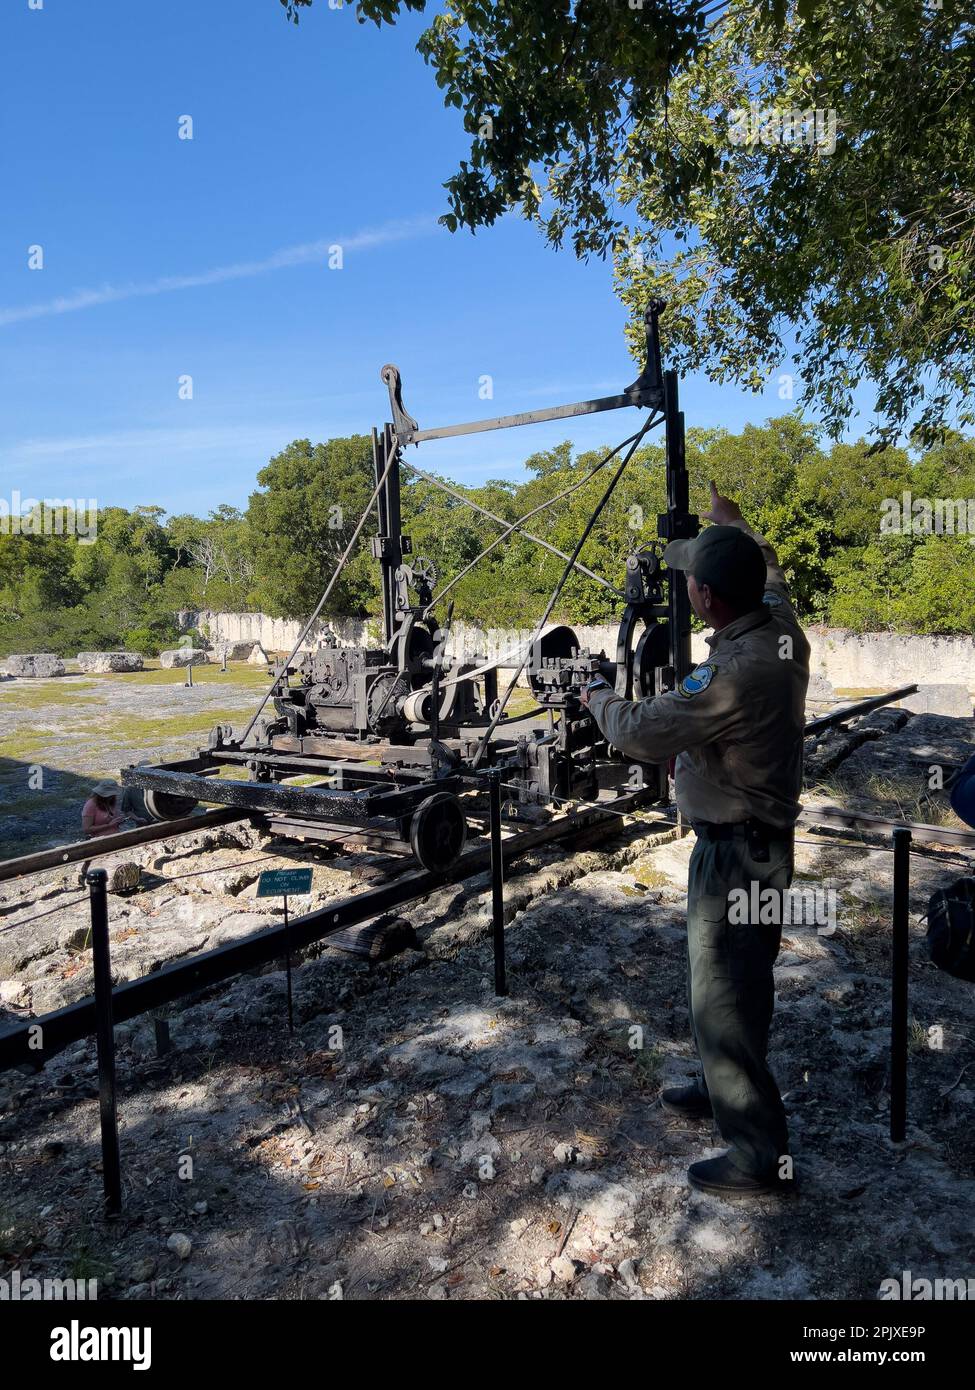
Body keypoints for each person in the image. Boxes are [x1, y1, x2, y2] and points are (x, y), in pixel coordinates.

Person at [581, 481, 810, 1197]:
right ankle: (722, 1085)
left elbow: (633, 731)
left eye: (688, 579)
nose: (680, 587)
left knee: (724, 995)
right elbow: (770, 581)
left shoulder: (729, 676)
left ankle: (757, 1156)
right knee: (739, 986)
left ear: (707, 599)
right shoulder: (780, 633)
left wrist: (594, 692)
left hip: (736, 856)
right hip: (756, 846)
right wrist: (734, 526)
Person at [81, 779, 146, 838]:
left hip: (115, 835)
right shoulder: (90, 805)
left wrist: (119, 820)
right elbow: (87, 829)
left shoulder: (111, 801)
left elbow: (113, 819)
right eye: (110, 795)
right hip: (99, 839)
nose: (112, 796)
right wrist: (108, 825)